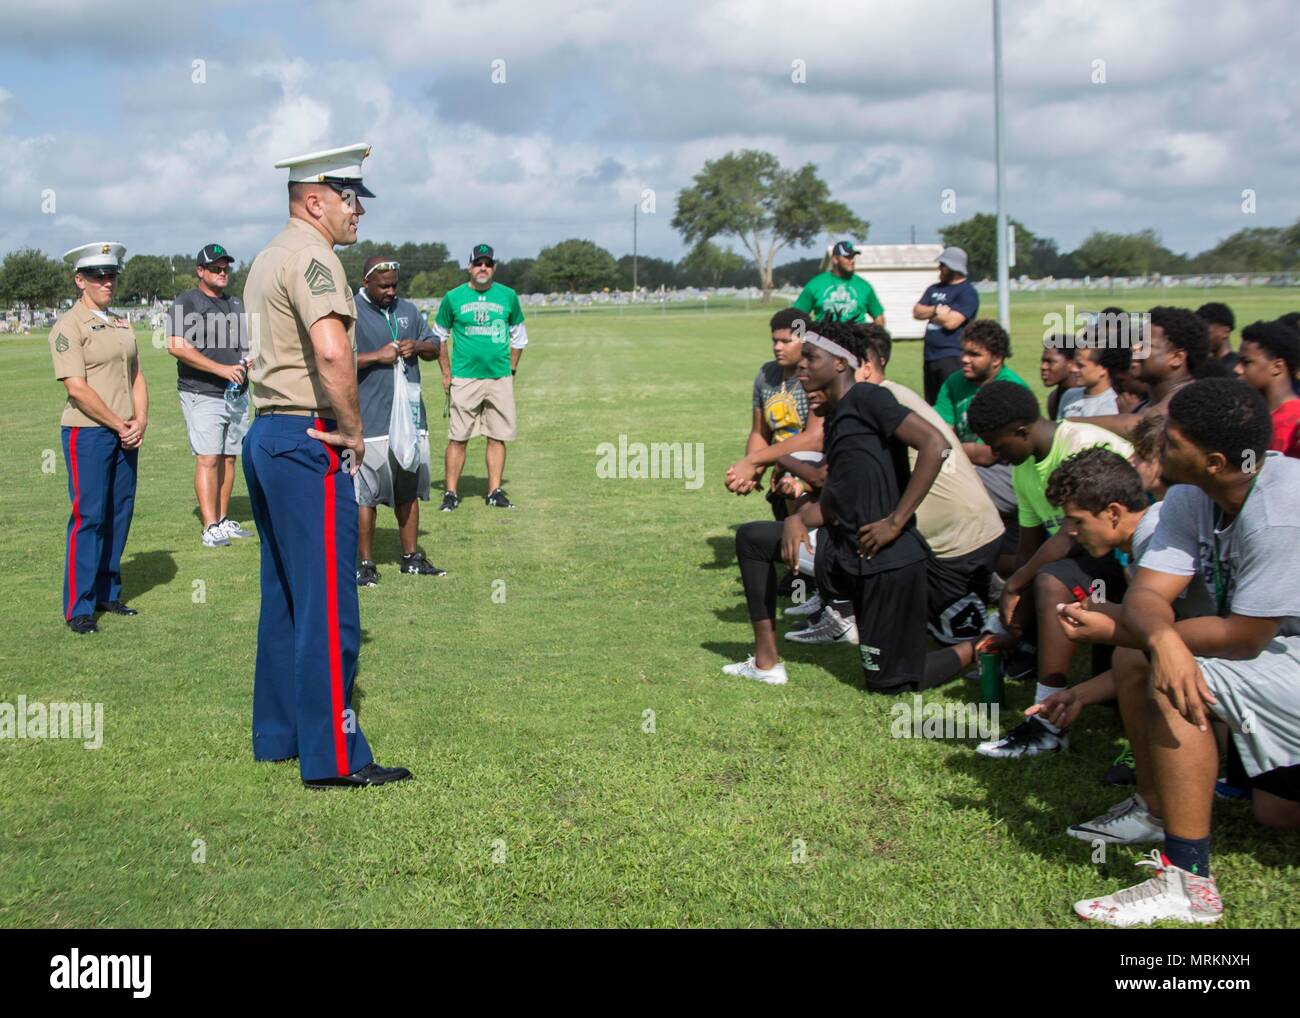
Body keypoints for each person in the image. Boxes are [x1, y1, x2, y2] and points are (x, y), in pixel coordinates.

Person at [1071, 380, 1300, 926]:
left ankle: (1187, 883)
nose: (1154, 452)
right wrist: (1162, 638)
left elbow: (1245, 636)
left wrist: (1151, 642)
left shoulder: (1279, 511)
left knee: (1176, 682)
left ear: (1215, 461)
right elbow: (1149, 594)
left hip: (1274, 649)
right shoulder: (1190, 496)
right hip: (1280, 655)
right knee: (1277, 813)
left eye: (1171, 444)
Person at [241, 142, 409, 789]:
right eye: (349, 197)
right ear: (315, 200)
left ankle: (281, 735)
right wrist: (352, 430)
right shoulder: (313, 257)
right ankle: (336, 757)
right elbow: (335, 353)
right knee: (329, 607)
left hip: (268, 433)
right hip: (307, 435)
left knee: (284, 599)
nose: (357, 211)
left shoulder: (268, 256)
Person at [725, 324, 948, 690]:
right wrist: (799, 519)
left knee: (891, 683)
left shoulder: (867, 399)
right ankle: (766, 663)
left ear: (841, 363)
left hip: (886, 560)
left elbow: (935, 445)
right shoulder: (839, 416)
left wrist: (895, 521)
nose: (802, 366)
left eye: (811, 357)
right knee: (752, 539)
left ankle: (982, 648)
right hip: (844, 552)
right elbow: (839, 491)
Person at [962, 381, 1132, 758]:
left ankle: (1047, 724)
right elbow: (1030, 545)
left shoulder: (1081, 445)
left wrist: (1016, 585)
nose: (994, 454)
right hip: (1096, 562)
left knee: (1052, 578)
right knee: (1041, 575)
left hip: (1131, 559)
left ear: (1023, 431)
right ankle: (1033, 670)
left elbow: (1074, 533)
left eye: (999, 444)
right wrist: (1012, 618)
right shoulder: (1025, 469)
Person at [50, 242, 148, 635]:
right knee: (89, 517)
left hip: (125, 432)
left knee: (118, 512)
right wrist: (119, 423)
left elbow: (136, 376)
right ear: (80, 280)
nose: (107, 281)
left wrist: (139, 419)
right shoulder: (67, 327)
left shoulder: (121, 323)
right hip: (88, 431)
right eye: (98, 276)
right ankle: (79, 606)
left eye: (111, 275)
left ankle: (108, 591)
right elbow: (77, 388)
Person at [353, 256, 446, 585]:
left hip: (411, 418)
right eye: (384, 286)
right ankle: (365, 564)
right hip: (371, 418)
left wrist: (418, 346)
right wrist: (376, 356)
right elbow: (335, 361)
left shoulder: (408, 310)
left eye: (394, 285)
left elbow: (435, 346)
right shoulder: (350, 312)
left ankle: (411, 558)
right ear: (366, 283)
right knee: (367, 495)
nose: (391, 291)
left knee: (408, 490)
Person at [166, 243, 255, 548]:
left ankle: (222, 518)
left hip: (236, 393)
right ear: (200, 271)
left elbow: (243, 345)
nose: (222, 273)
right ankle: (209, 526)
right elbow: (176, 346)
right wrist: (220, 369)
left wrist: (248, 358)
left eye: (225, 268)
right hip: (202, 392)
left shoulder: (235, 303)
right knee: (208, 458)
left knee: (229, 458)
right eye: (215, 268)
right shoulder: (187, 302)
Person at [434, 243, 528, 511]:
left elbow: (519, 338)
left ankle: (494, 491)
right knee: (458, 437)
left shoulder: (508, 296)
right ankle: (451, 493)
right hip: (465, 378)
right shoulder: (453, 297)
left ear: (494, 267)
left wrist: (510, 371)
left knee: (497, 436)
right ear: (469, 267)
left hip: (499, 378)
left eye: (487, 264)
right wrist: (446, 373)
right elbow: (439, 337)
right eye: (478, 263)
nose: (483, 268)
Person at [934, 319, 1031, 575]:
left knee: (945, 489)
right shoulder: (955, 382)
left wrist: (950, 451)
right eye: (963, 352)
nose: (964, 359)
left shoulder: (1011, 388)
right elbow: (938, 432)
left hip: (1009, 471)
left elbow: (989, 454)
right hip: (968, 465)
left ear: (997, 358)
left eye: (974, 354)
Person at [724, 308, 822, 518]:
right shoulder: (767, 374)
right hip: (780, 472)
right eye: (774, 341)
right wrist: (751, 473)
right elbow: (760, 432)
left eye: (786, 341)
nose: (778, 347)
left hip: (813, 473)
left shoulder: (817, 374)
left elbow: (814, 439)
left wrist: (754, 461)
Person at [1085, 306, 1208, 440]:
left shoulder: (1190, 400)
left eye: (1144, 344)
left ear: (1177, 358)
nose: (1133, 348)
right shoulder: (1142, 406)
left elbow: (1146, 425)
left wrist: (1066, 425)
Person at [914, 246, 979, 404]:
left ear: (953, 267)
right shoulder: (933, 289)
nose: (939, 269)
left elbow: (952, 322)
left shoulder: (967, 292)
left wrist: (931, 314)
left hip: (952, 356)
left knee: (951, 401)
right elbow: (917, 312)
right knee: (933, 403)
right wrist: (937, 310)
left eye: (942, 265)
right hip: (930, 356)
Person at [1232, 319, 1300, 456]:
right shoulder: (1253, 418)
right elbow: (1248, 470)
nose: (1237, 369)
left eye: (1246, 362)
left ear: (1277, 367)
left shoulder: (1294, 423)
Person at [793, 241, 885, 327]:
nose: (852, 260)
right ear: (835, 259)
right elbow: (797, 316)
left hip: (856, 340)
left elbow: (879, 317)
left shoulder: (864, 286)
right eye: (847, 257)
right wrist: (801, 341)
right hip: (825, 339)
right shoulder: (816, 284)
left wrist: (875, 341)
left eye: (853, 257)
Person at [1057, 331, 1130, 419]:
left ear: (1102, 368)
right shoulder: (1069, 395)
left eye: (1080, 366)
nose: (1073, 369)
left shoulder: (1115, 405)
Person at [1040, 337, 1077, 420]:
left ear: (1071, 364)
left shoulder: (1087, 395)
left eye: (1050, 362)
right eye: (1043, 361)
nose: (1043, 367)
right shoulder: (1053, 398)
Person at [1195, 302, 1237, 370]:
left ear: (1225, 332)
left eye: (1206, 333)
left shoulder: (1235, 368)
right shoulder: (1204, 365)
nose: (1201, 338)